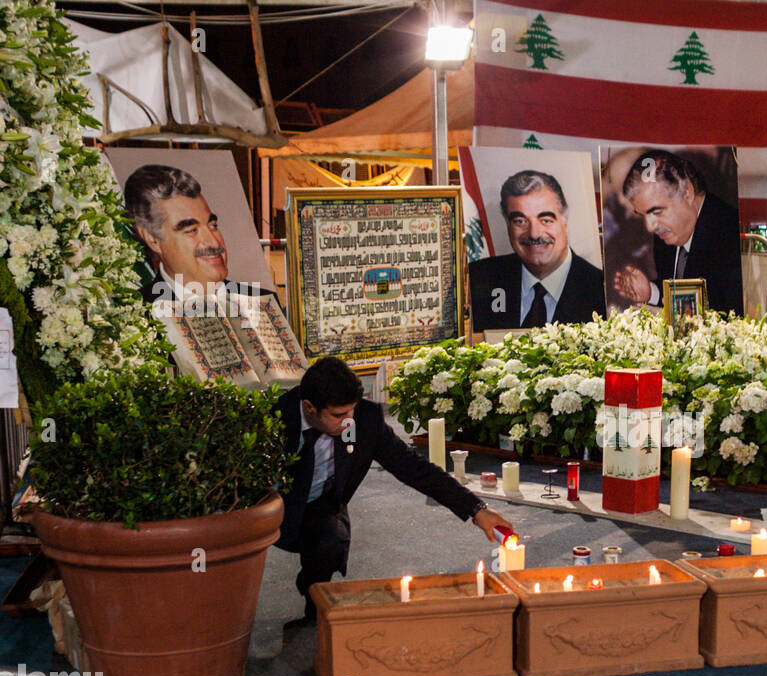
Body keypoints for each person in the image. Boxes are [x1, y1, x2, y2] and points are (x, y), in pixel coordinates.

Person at [274, 357, 513, 630]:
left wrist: (477, 509)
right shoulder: (276, 415)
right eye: (339, 415)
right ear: (309, 408)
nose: (348, 421)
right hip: (273, 504)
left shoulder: (364, 420)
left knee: (330, 542)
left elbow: (414, 468)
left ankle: (314, 613)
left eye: (351, 411)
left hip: (322, 502)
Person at [469, 170, 606, 331]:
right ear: (508, 226)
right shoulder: (481, 277)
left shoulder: (602, 290)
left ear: (565, 222)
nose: (534, 233)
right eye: (520, 221)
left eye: (546, 220)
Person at [613, 150, 744, 315]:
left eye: (657, 212)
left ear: (687, 193)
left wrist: (668, 317)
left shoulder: (730, 235)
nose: (650, 226)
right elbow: (683, 289)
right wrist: (650, 292)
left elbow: (732, 316)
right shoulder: (665, 237)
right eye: (643, 215)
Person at [124, 163, 259, 304]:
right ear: (153, 240)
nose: (214, 242)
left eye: (213, 226)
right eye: (191, 230)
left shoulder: (262, 303)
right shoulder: (135, 315)